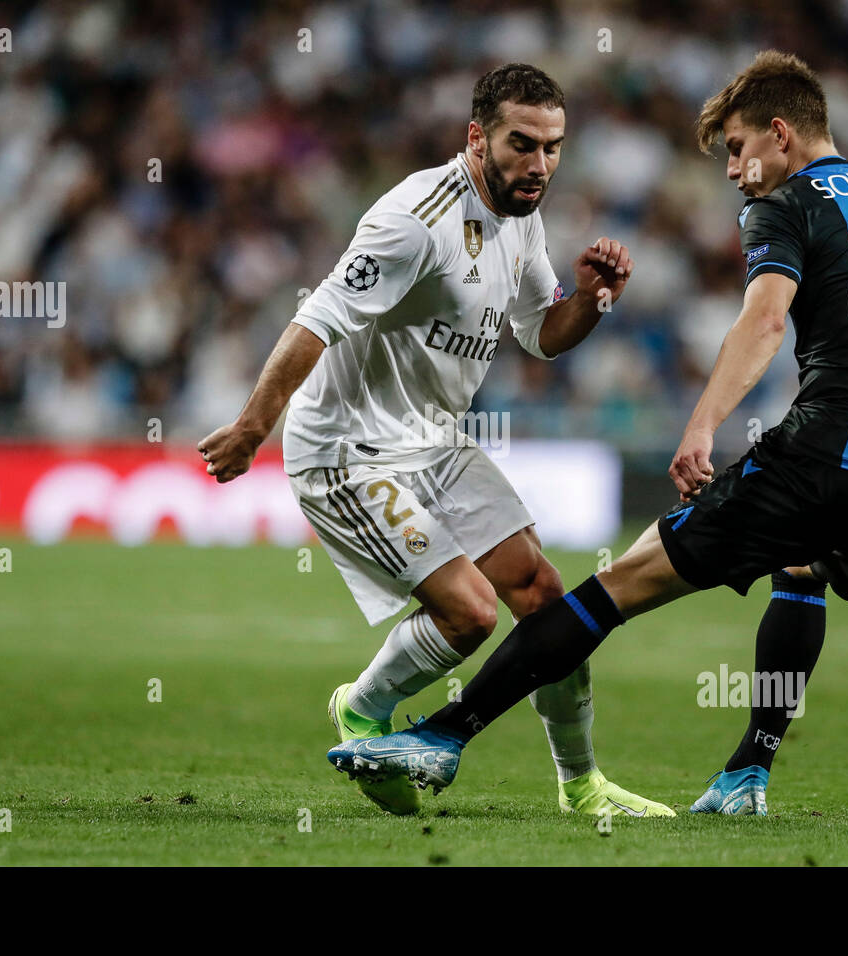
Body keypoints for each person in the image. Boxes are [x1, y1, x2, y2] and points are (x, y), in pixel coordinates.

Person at [327, 51, 848, 814]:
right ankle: (747, 775)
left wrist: (702, 426)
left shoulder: (784, 206)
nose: (735, 171)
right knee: (803, 570)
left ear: (781, 134)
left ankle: (444, 735)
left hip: (820, 463)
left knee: (614, 586)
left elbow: (765, 320)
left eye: (740, 149)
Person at [199, 64, 672, 818]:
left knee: (547, 600)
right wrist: (255, 426)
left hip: (436, 442)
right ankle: (361, 709)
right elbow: (318, 315)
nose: (540, 164)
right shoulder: (414, 218)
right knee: (471, 614)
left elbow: (541, 335)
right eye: (523, 144)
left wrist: (589, 301)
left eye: (554, 147)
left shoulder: (524, 214)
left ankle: (581, 786)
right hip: (346, 450)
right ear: (478, 136)